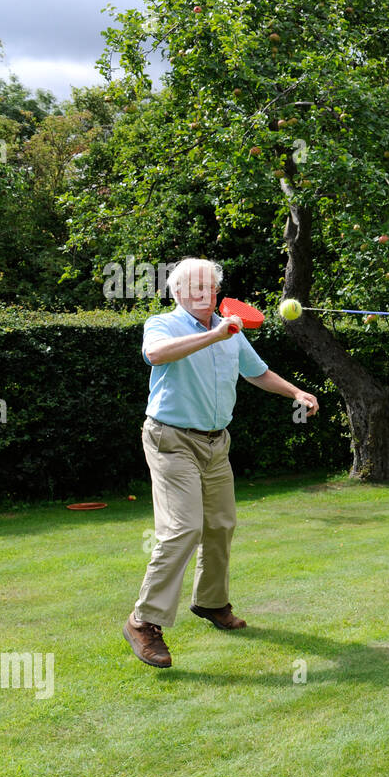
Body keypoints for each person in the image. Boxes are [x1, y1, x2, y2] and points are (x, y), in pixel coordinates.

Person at [124, 258, 319, 668]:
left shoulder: (230, 327)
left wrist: (296, 392)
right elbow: (155, 356)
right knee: (183, 527)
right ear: (176, 293)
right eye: (192, 289)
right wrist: (215, 335)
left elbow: (257, 372)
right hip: (170, 440)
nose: (201, 295)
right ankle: (143, 622)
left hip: (216, 443)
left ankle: (211, 603)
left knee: (221, 524)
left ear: (216, 291)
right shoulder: (163, 324)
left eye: (208, 288)